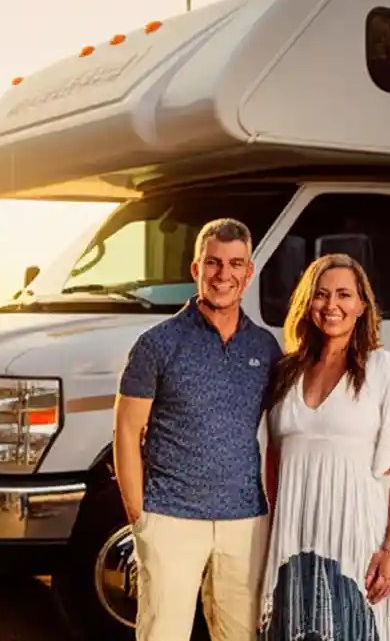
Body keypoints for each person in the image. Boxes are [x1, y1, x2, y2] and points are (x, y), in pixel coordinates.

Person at [113, 217, 283, 641]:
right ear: (196, 269)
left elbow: (282, 430)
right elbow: (127, 433)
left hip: (244, 520)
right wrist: (141, 519)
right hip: (170, 518)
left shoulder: (264, 348)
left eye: (235, 264)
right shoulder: (157, 344)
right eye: (213, 263)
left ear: (249, 272)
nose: (223, 274)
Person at [257, 253, 390, 641]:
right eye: (321, 294)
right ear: (307, 303)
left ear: (362, 306)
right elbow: (274, 459)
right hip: (293, 536)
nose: (331, 304)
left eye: (344, 294)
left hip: (359, 536)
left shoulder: (387, 370)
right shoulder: (287, 372)